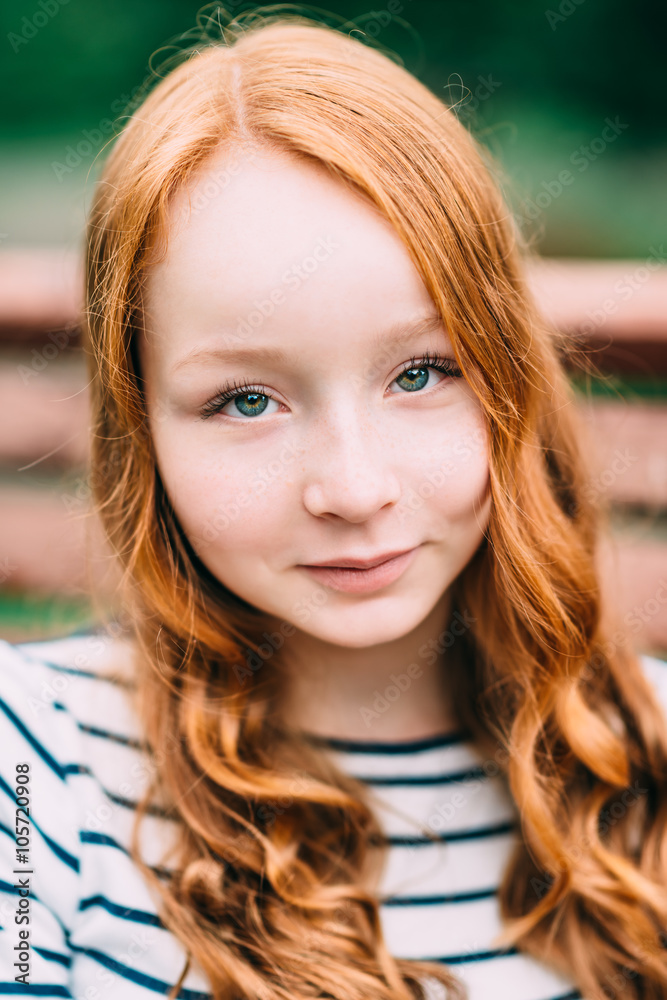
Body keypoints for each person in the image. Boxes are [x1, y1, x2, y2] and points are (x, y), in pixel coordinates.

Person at [2, 8, 667, 1000]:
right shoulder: (29, 773)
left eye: (421, 373)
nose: (354, 491)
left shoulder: (648, 757)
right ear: (140, 428)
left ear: (511, 375)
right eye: (246, 400)